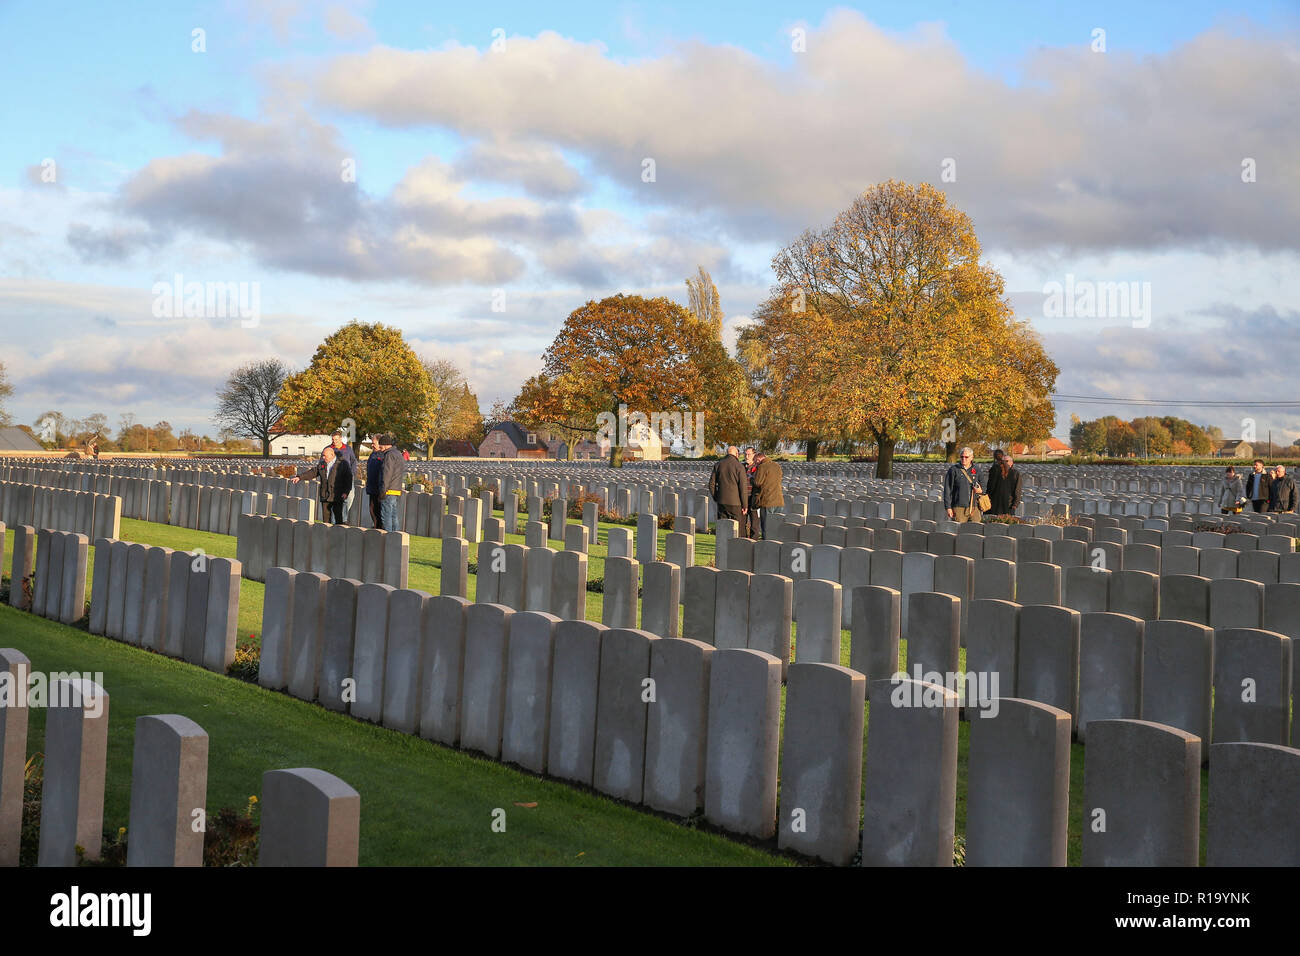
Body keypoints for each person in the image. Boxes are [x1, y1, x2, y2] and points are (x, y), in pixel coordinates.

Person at [294, 445, 352, 524]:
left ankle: (337, 535)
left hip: (337, 495)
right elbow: (313, 472)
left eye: (325, 456)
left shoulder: (342, 464)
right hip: (325, 495)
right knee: (326, 520)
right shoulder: (322, 464)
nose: (323, 458)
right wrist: (300, 477)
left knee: (338, 519)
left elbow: (348, 479)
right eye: (323, 456)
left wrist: (346, 492)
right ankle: (327, 535)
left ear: (332, 455)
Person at [322, 430, 358, 522]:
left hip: (347, 478)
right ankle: (338, 520)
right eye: (333, 439)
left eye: (337, 439)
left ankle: (343, 516)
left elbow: (353, 461)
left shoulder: (348, 449)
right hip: (334, 480)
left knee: (349, 497)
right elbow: (322, 463)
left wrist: (352, 473)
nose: (335, 441)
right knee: (336, 500)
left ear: (341, 438)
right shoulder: (328, 449)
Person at [709, 445, 749, 525]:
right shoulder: (739, 466)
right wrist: (745, 505)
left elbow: (711, 484)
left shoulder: (718, 465)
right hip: (736, 503)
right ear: (736, 454)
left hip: (721, 501)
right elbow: (743, 487)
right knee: (736, 528)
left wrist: (716, 497)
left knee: (723, 527)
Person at [943, 446, 984, 523]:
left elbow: (984, 486)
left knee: (975, 531)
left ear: (972, 457)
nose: (963, 459)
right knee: (959, 531)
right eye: (962, 457)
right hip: (959, 508)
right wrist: (948, 507)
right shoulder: (954, 470)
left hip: (975, 507)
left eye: (966, 457)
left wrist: (980, 490)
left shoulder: (977, 470)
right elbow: (947, 489)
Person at [749, 450, 784, 539]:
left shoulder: (762, 467)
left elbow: (757, 482)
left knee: (766, 527)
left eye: (755, 460)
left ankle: (766, 545)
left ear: (759, 458)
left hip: (767, 500)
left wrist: (751, 479)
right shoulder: (777, 466)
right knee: (776, 527)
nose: (755, 463)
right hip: (779, 500)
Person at [379, 434, 406, 532]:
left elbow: (387, 474)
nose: (379, 447)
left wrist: (383, 490)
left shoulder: (389, 455)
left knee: (386, 516)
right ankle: (396, 537)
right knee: (394, 515)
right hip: (396, 489)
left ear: (385, 445)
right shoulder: (398, 453)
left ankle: (388, 536)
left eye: (380, 445)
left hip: (388, 489)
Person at [366, 435, 386, 529]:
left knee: (379, 510)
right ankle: (376, 526)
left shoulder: (383, 455)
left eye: (374, 443)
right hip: (372, 487)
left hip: (379, 487)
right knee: (372, 509)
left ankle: (380, 528)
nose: (372, 445)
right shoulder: (372, 454)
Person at [742, 447, 759, 537]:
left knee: (754, 522)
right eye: (745, 454)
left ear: (754, 455)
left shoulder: (757, 467)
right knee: (742, 521)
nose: (747, 456)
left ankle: (754, 541)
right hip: (743, 497)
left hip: (753, 497)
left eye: (749, 454)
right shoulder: (742, 467)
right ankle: (743, 540)